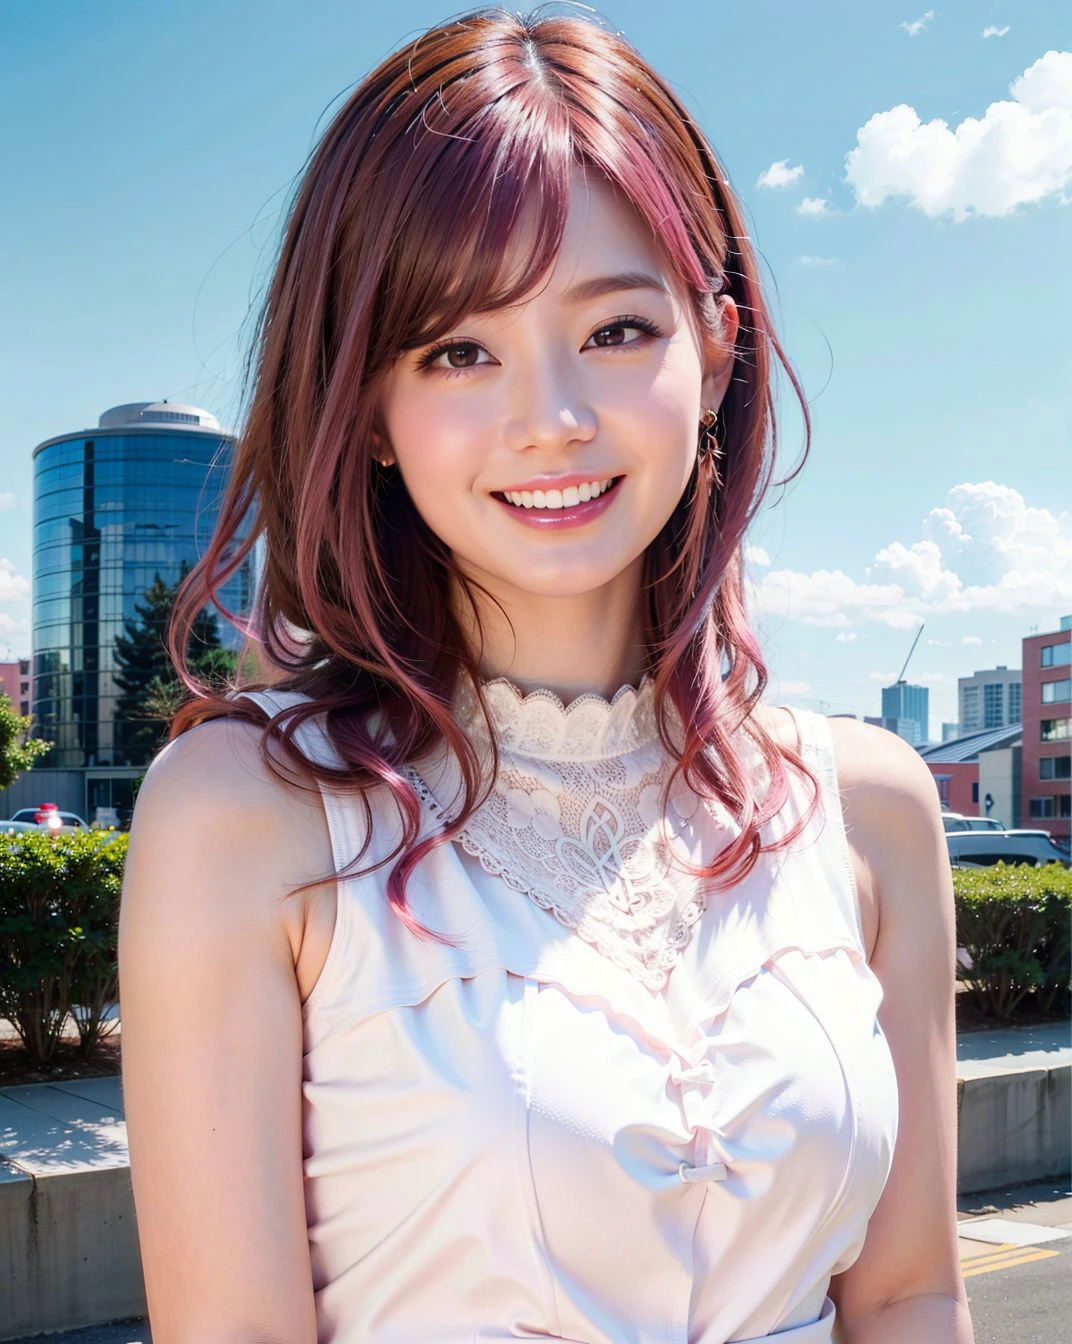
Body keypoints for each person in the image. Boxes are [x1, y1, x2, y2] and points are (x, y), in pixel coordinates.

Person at [118, 7, 973, 1342]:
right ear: (372, 410)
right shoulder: (245, 811)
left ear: (716, 343)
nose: (552, 418)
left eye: (617, 331)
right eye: (459, 351)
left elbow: (913, 1293)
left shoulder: (868, 806)